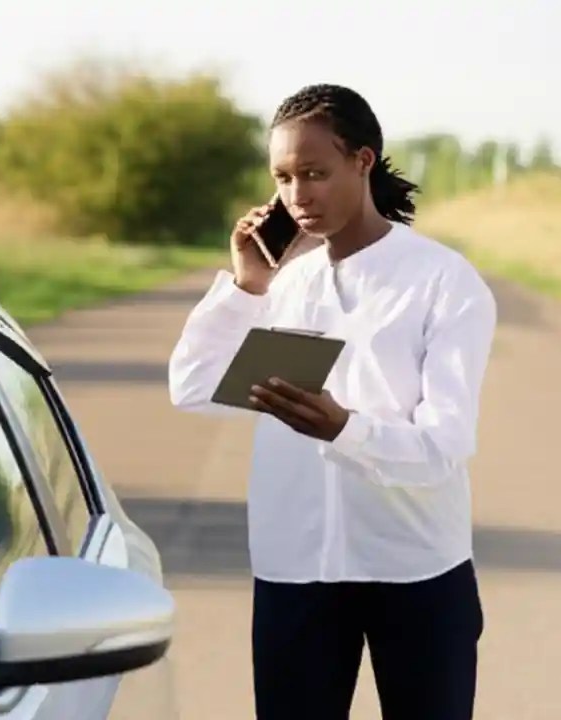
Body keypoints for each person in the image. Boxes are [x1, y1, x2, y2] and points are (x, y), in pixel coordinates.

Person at [168, 83, 498, 720]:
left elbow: (445, 445)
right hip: (296, 571)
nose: (298, 195)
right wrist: (246, 284)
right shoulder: (283, 284)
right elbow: (192, 385)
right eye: (284, 178)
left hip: (417, 571)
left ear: (364, 161)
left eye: (315, 173)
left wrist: (344, 429)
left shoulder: (442, 281)